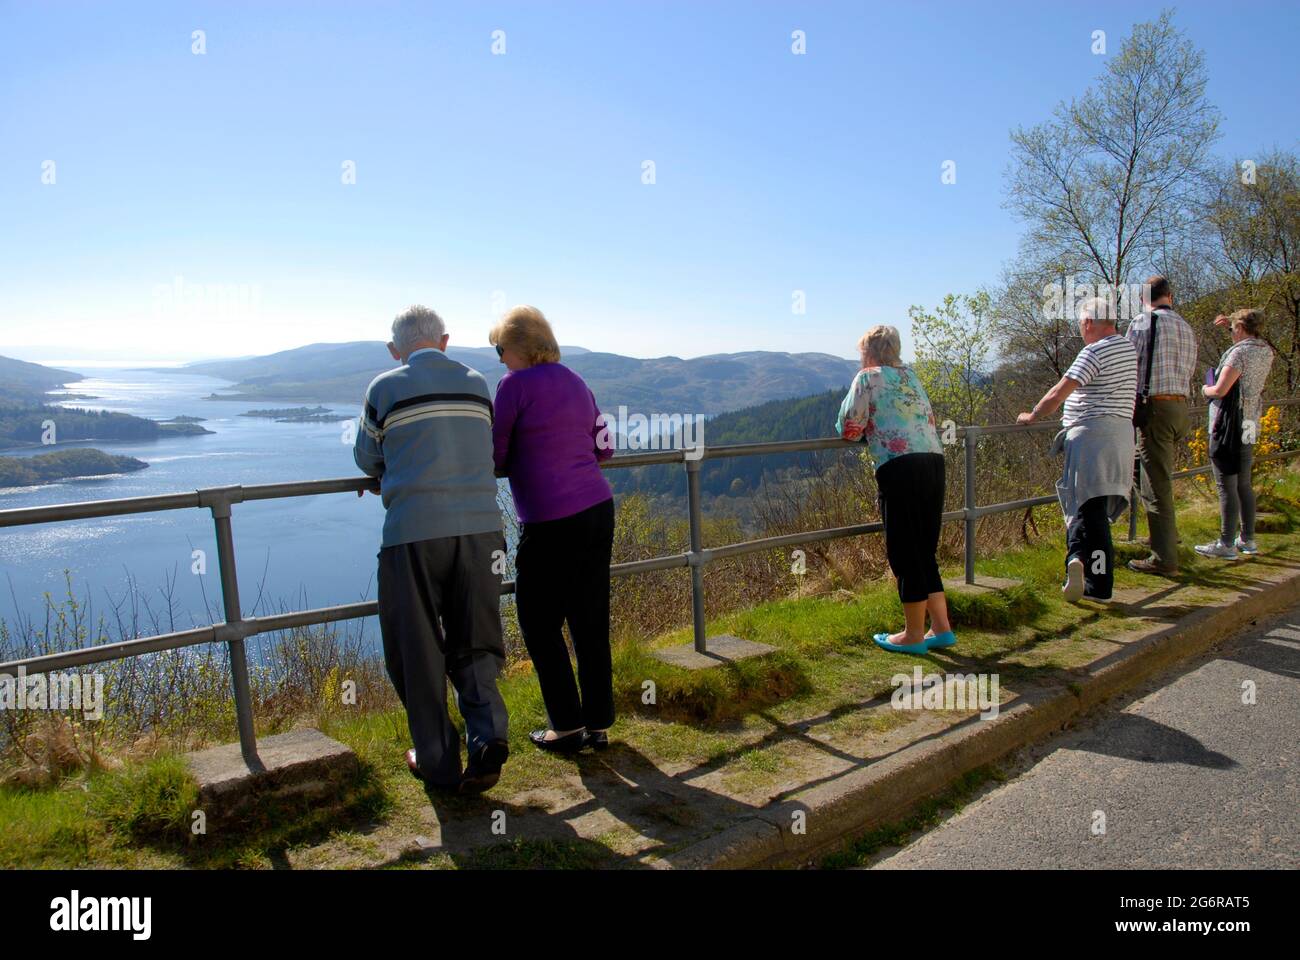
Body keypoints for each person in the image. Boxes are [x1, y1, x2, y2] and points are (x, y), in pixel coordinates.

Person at [354, 305, 510, 794]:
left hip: (413, 535)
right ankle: (487, 739)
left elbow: (366, 456)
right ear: (444, 341)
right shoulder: (477, 383)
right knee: (476, 636)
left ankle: (437, 760)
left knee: (415, 647)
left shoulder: (384, 387)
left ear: (394, 350)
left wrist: (393, 473)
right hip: (484, 531)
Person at [490, 305, 617, 754]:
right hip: (597, 510)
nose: (499, 358)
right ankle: (599, 723)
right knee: (589, 617)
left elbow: (495, 456)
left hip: (549, 519)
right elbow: (606, 448)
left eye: (500, 349)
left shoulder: (513, 386)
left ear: (519, 348)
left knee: (539, 621)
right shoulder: (575, 380)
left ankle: (566, 726)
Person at [835, 324, 953, 654]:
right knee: (924, 548)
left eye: (862, 353)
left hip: (899, 466)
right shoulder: (910, 376)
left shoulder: (868, 377)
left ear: (868, 353)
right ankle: (941, 629)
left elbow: (849, 427)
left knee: (903, 549)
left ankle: (913, 635)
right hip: (933, 462)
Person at [1018, 297, 1137, 603]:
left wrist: (1032, 415)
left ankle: (1085, 568)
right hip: (1122, 434)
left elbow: (1060, 391)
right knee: (1095, 506)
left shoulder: (1094, 351)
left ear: (1088, 323)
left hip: (1092, 436)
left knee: (1085, 503)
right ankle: (1088, 568)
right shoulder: (1127, 348)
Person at [1125, 276, 1197, 575]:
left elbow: (1128, 364)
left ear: (1144, 298)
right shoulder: (1185, 326)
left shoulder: (1143, 323)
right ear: (1169, 294)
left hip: (1155, 408)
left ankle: (1164, 559)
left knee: (1156, 483)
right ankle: (1164, 534)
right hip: (1180, 406)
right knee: (1141, 470)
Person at [1195, 308, 1275, 560]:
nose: (1230, 333)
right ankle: (1247, 538)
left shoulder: (1239, 354)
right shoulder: (1265, 350)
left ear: (1240, 329)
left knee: (1226, 484)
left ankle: (1226, 542)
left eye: (1232, 329)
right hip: (1251, 420)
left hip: (1229, 424)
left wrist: (1205, 390)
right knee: (1243, 483)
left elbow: (1220, 389)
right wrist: (1229, 321)